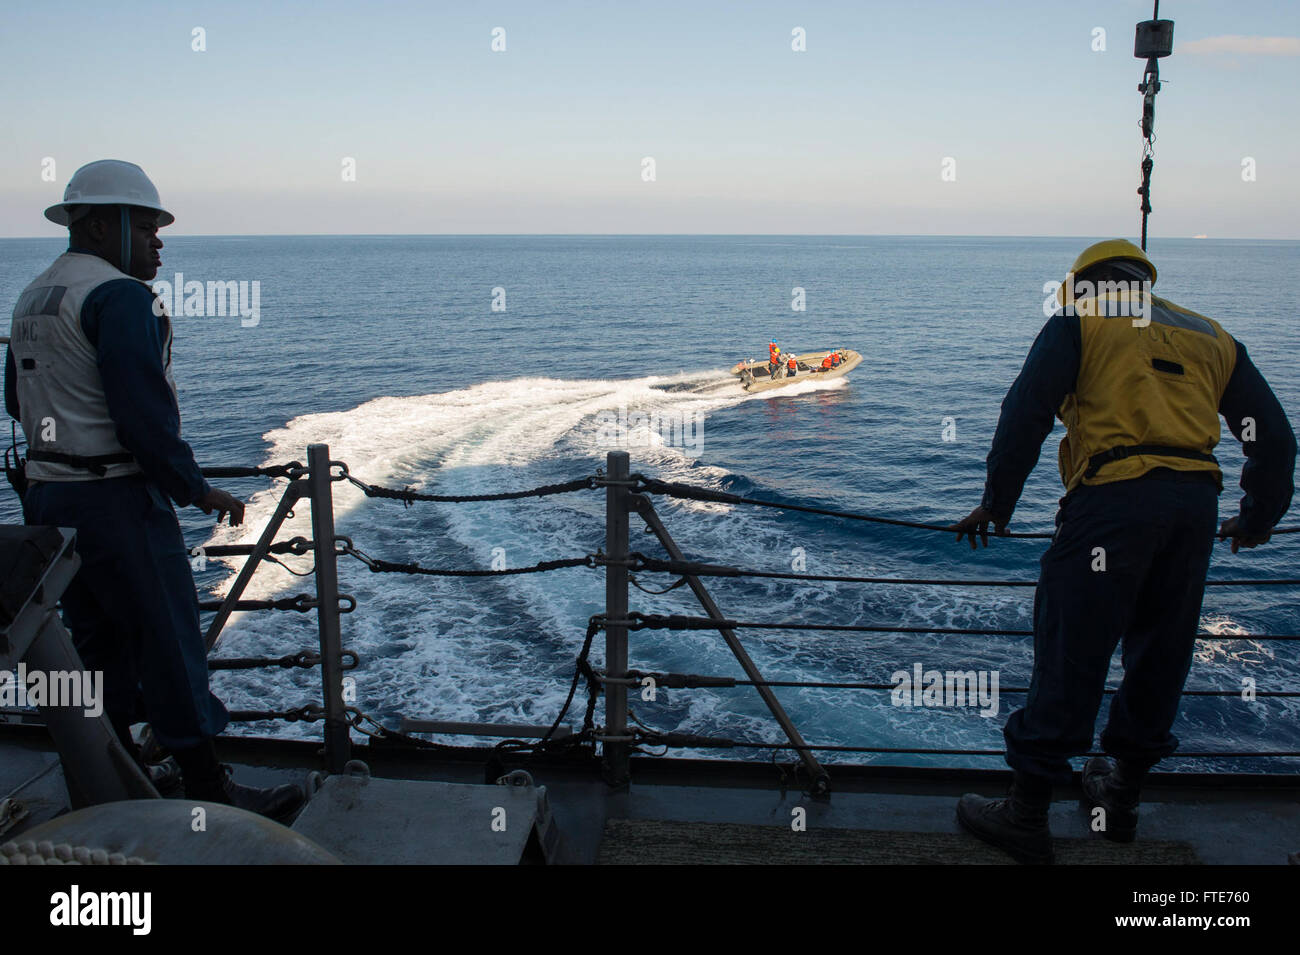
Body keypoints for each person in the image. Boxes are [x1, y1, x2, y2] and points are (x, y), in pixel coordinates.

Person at [948, 239, 1295, 864]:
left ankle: (1026, 814)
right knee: (1163, 651)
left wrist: (997, 502)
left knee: (1071, 647)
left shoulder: (1078, 320)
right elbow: (1272, 437)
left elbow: (1025, 412)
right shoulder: (1212, 334)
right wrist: (1257, 519)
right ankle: (1121, 801)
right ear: (1143, 280)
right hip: (1194, 509)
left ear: (1084, 284)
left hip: (1113, 502)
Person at [4, 160, 304, 820]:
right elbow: (142, 416)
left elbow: (13, 398)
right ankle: (207, 789)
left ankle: (107, 783)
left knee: (98, 647)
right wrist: (196, 491)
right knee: (170, 642)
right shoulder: (120, 298)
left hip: (49, 503)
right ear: (100, 225)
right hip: (117, 500)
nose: (157, 242)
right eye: (144, 227)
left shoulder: (33, 297)